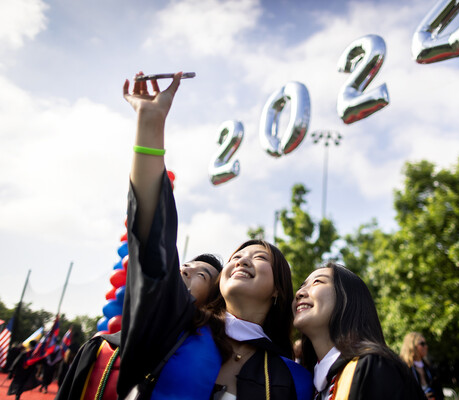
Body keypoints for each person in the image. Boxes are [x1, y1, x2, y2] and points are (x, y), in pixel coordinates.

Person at [120, 71, 312, 400]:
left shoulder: (297, 381)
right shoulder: (175, 326)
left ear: (279, 290)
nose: (242, 259)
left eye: (260, 257)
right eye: (237, 255)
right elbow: (153, 242)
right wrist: (150, 123)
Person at [56, 253, 224, 400]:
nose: (184, 271)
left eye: (201, 275)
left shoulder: (207, 368)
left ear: (210, 304)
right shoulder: (100, 349)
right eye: (184, 266)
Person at [293, 262, 426, 399]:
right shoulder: (308, 385)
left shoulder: (374, 368)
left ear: (346, 298)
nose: (299, 293)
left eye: (317, 281)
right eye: (301, 286)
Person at [400, 332, 444, 399]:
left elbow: (439, 393)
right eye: (422, 344)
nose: (426, 346)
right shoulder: (404, 369)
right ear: (412, 346)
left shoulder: (430, 368)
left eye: (425, 343)